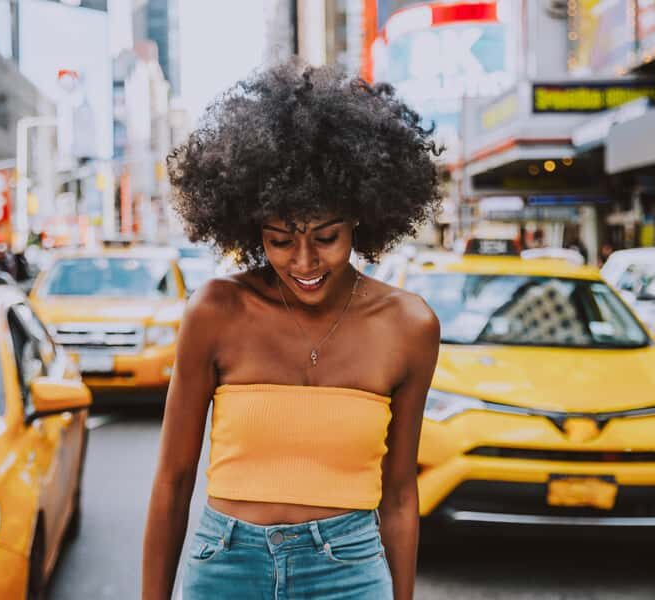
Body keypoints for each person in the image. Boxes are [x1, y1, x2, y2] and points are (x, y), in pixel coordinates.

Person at [141, 62, 441, 600]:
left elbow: (398, 496)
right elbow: (172, 480)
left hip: (348, 569)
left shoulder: (409, 326)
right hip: (225, 568)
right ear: (252, 228)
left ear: (362, 219)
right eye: (280, 239)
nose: (305, 261)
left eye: (326, 236)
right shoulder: (215, 311)